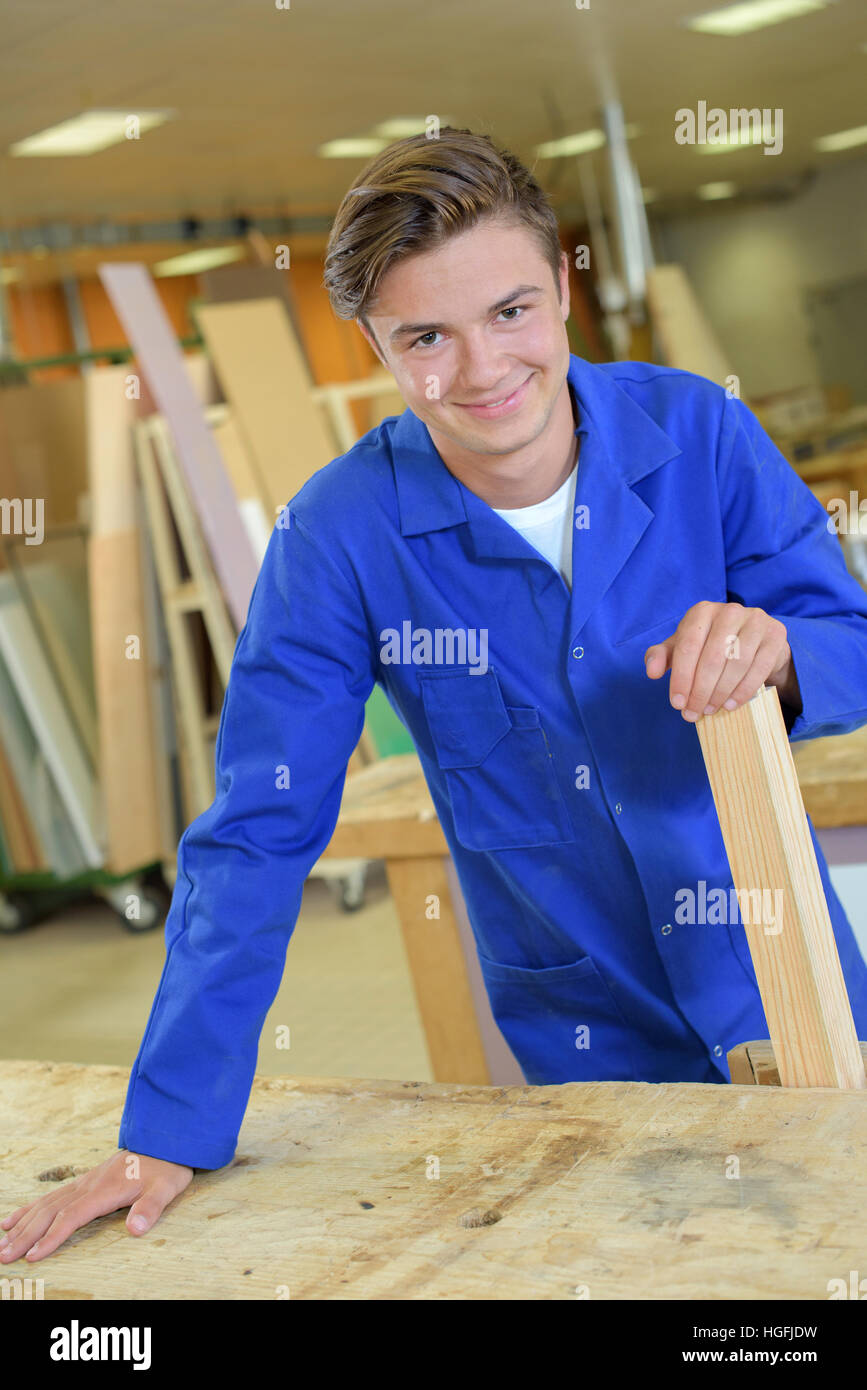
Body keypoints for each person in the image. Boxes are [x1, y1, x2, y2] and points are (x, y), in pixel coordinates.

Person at [4, 127, 866, 1264]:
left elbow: (849, 641)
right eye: (426, 336)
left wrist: (779, 649)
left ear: (563, 283)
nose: (483, 369)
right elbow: (257, 833)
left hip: (792, 975)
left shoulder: (695, 431)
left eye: (511, 311)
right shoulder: (337, 537)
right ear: (374, 342)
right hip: (585, 1030)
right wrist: (169, 1124)